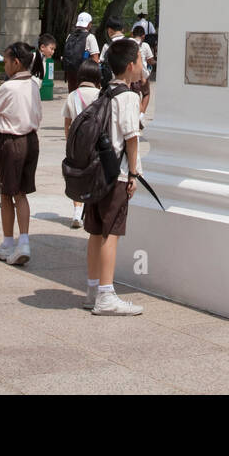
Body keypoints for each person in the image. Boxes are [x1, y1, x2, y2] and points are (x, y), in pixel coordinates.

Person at [84, 37, 145, 316]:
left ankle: (92, 289)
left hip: (95, 173)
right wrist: (133, 173)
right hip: (116, 175)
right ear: (131, 66)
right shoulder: (129, 97)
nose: (143, 66)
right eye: (141, 61)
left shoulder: (104, 93)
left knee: (95, 232)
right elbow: (132, 138)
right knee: (111, 233)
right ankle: (106, 295)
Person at [0, 41, 42, 265]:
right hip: (31, 141)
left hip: (11, 142)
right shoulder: (34, 84)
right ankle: (23, 240)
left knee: (7, 193)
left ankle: (9, 242)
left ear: (16, 62)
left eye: (6, 61)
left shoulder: (7, 87)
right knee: (22, 193)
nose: (4, 66)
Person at [61, 58, 101, 228]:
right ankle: (91, 210)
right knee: (94, 175)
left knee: (77, 175)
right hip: (96, 143)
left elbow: (67, 124)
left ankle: (77, 212)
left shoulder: (72, 96)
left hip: (77, 143)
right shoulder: (100, 95)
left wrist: (69, 142)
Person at [63, 12, 100, 92]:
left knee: (73, 97)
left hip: (71, 74)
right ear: (89, 24)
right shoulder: (90, 37)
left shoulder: (70, 36)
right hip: (85, 75)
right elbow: (95, 59)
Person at [130, 25, 155, 116]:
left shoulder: (128, 43)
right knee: (146, 94)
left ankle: (133, 115)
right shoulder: (145, 45)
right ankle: (141, 115)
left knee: (133, 96)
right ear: (143, 36)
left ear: (132, 34)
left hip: (129, 76)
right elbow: (150, 60)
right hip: (142, 75)